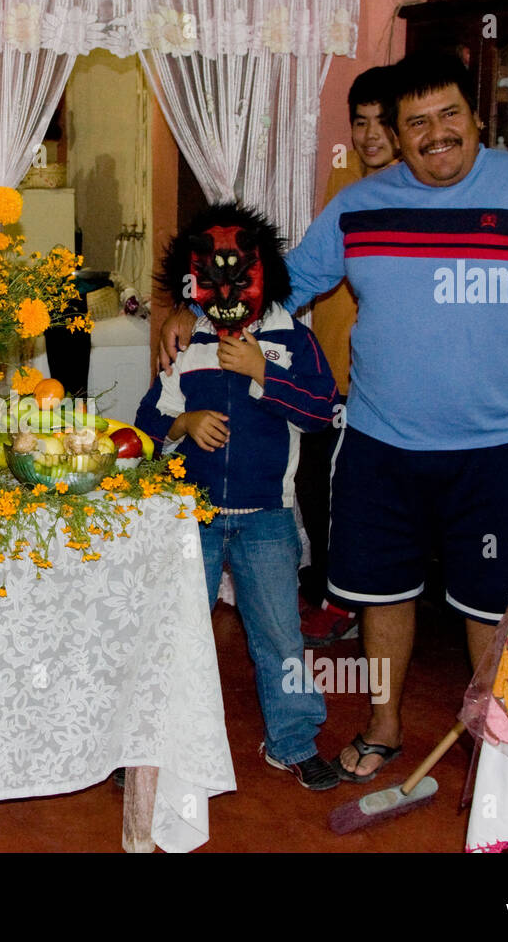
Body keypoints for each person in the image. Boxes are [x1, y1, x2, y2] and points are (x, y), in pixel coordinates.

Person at [158, 51, 508, 783]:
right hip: (378, 442)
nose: (437, 135)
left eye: (449, 116)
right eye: (418, 124)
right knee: (382, 594)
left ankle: (493, 744)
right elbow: (287, 285)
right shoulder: (359, 206)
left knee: (487, 605)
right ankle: (383, 726)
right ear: (398, 138)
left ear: (477, 117)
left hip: (493, 448)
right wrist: (199, 312)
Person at [136, 204, 343, 790]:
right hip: (193, 517)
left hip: (268, 520)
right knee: (177, 629)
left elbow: (321, 412)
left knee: (280, 634)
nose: (224, 290)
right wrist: (183, 424)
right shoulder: (186, 340)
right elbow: (149, 421)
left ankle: (294, 740)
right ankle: (155, 746)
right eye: (210, 277)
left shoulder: (292, 339)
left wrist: (262, 372)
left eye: (239, 275)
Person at [298, 65, 400, 647]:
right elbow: (302, 276)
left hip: (372, 388)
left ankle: (345, 602)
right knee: (318, 483)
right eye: (359, 123)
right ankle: (333, 593)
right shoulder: (348, 191)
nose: (369, 135)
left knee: (350, 496)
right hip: (327, 372)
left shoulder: (422, 198)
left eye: (382, 122)